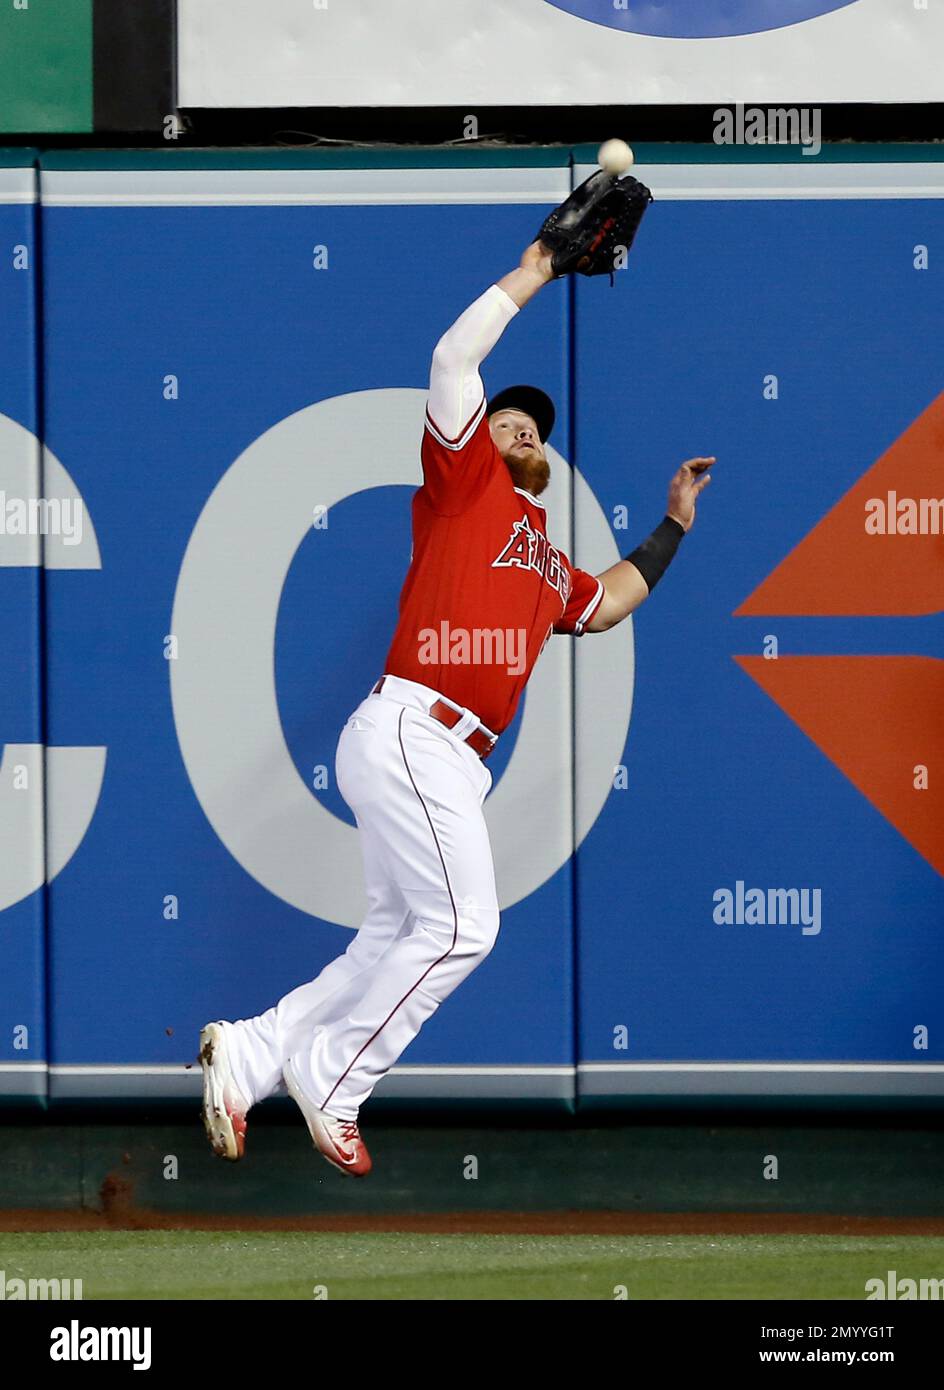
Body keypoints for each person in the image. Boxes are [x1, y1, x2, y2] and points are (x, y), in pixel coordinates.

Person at [199, 238, 715, 1176]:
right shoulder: (460, 484)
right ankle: (335, 1076)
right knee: (464, 927)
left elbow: (608, 603)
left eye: (532, 428)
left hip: (435, 754)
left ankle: (251, 1054)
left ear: (547, 458)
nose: (519, 429)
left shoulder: (546, 560)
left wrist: (673, 525)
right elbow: (451, 360)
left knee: (396, 936)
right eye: (507, 418)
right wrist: (544, 264)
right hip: (412, 728)